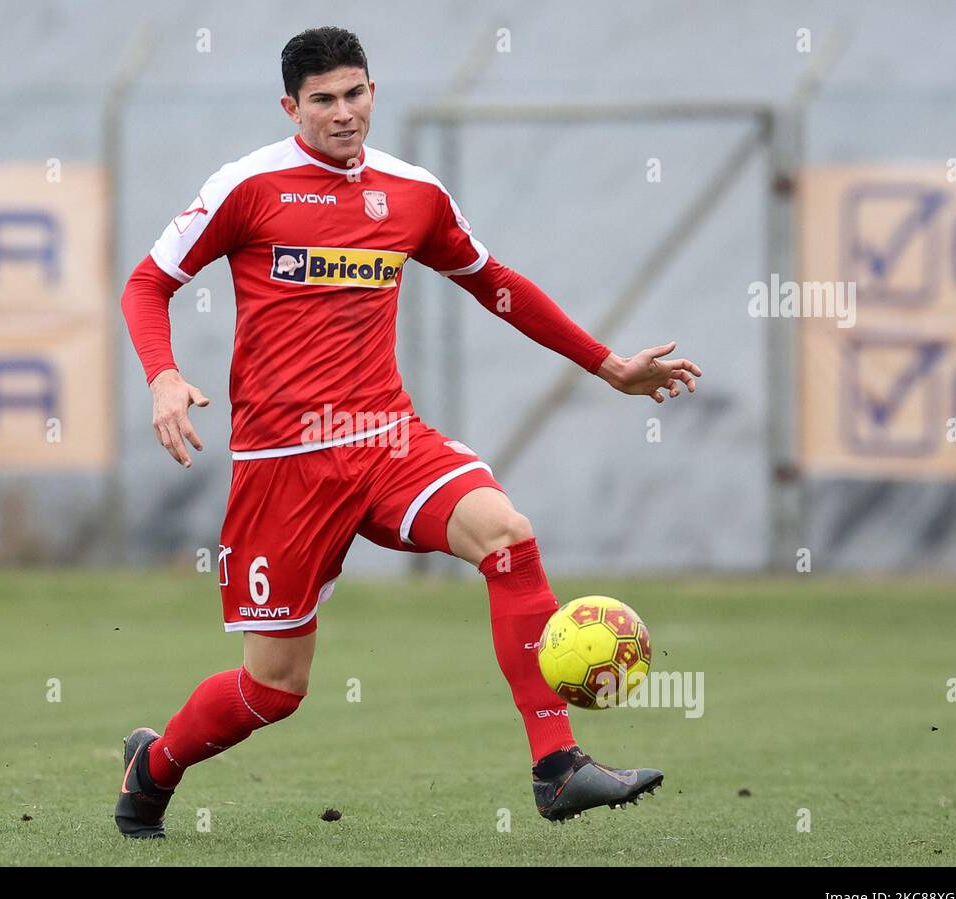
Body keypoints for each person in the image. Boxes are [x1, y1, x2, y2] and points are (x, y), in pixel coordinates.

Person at [116, 26, 701, 838]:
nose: (344, 113)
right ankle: (153, 766)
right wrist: (164, 376)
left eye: (356, 93)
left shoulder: (412, 193)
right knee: (273, 691)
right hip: (284, 465)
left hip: (387, 439)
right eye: (323, 100)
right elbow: (147, 285)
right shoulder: (248, 186)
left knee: (507, 535)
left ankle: (557, 767)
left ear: (373, 93)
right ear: (291, 107)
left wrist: (607, 365)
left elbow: (494, 284)